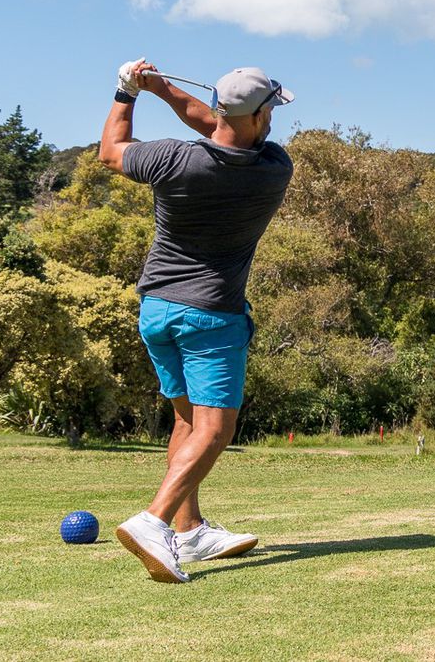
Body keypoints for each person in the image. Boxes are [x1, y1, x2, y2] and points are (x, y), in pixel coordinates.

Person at [97, 60, 295, 583]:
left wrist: (131, 91)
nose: (274, 116)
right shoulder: (273, 167)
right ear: (254, 118)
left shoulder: (171, 160)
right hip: (211, 316)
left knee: (187, 423)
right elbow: (218, 127)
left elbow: (111, 151)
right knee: (215, 429)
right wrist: (163, 89)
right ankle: (153, 520)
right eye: (270, 108)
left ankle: (191, 532)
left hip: (156, 309)